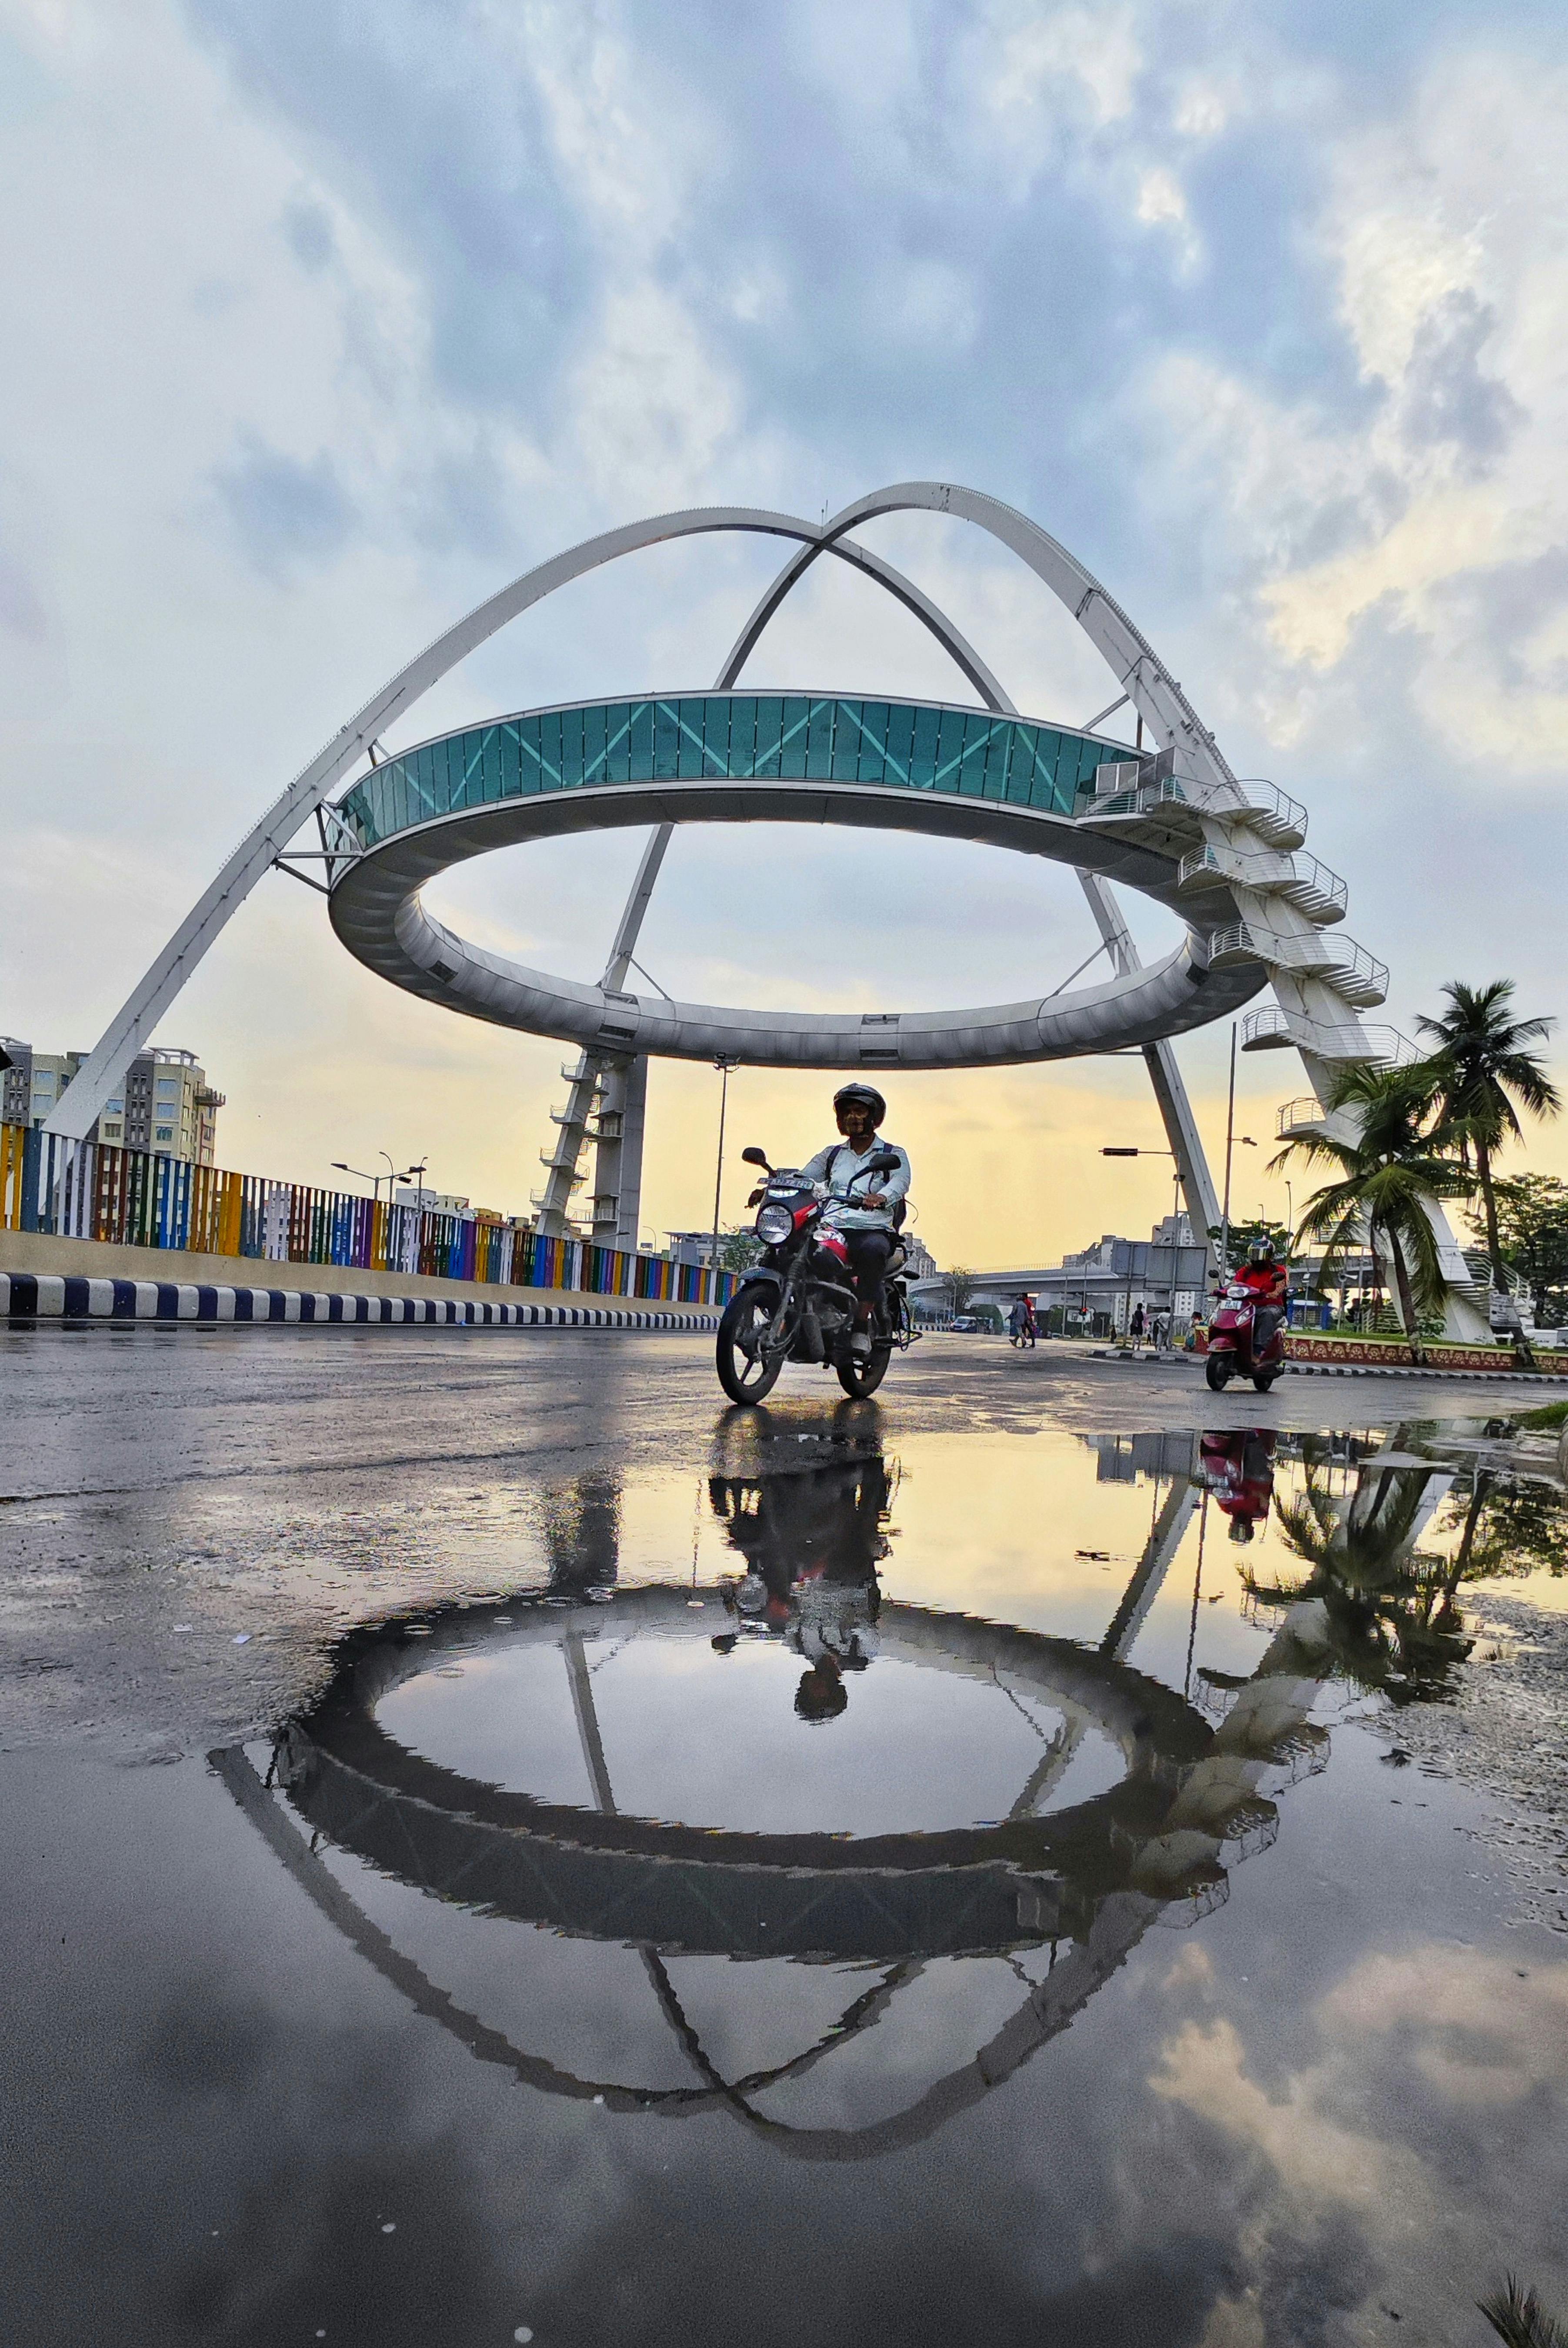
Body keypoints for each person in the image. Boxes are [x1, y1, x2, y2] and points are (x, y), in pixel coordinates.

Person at [801, 1084, 911, 1363]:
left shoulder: (892, 1153)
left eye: (859, 1111)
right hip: (834, 1224)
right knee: (799, 1248)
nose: (853, 1117)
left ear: (874, 1116)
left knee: (873, 1251)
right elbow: (805, 1177)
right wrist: (776, 1186)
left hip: (872, 1227)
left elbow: (901, 1181)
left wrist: (882, 1197)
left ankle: (861, 1326)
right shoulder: (832, 1154)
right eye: (847, 1111)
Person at [1234, 1238, 1289, 1357]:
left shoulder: (1278, 1270)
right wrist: (1223, 1291)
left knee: (1268, 1314)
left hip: (1271, 1306)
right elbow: (1235, 1285)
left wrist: (1266, 1294)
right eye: (1255, 1253)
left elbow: (1278, 1290)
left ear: (1269, 1255)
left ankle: (1258, 1351)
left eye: (1261, 1254)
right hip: (1247, 1307)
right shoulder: (1245, 1271)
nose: (1258, 1257)